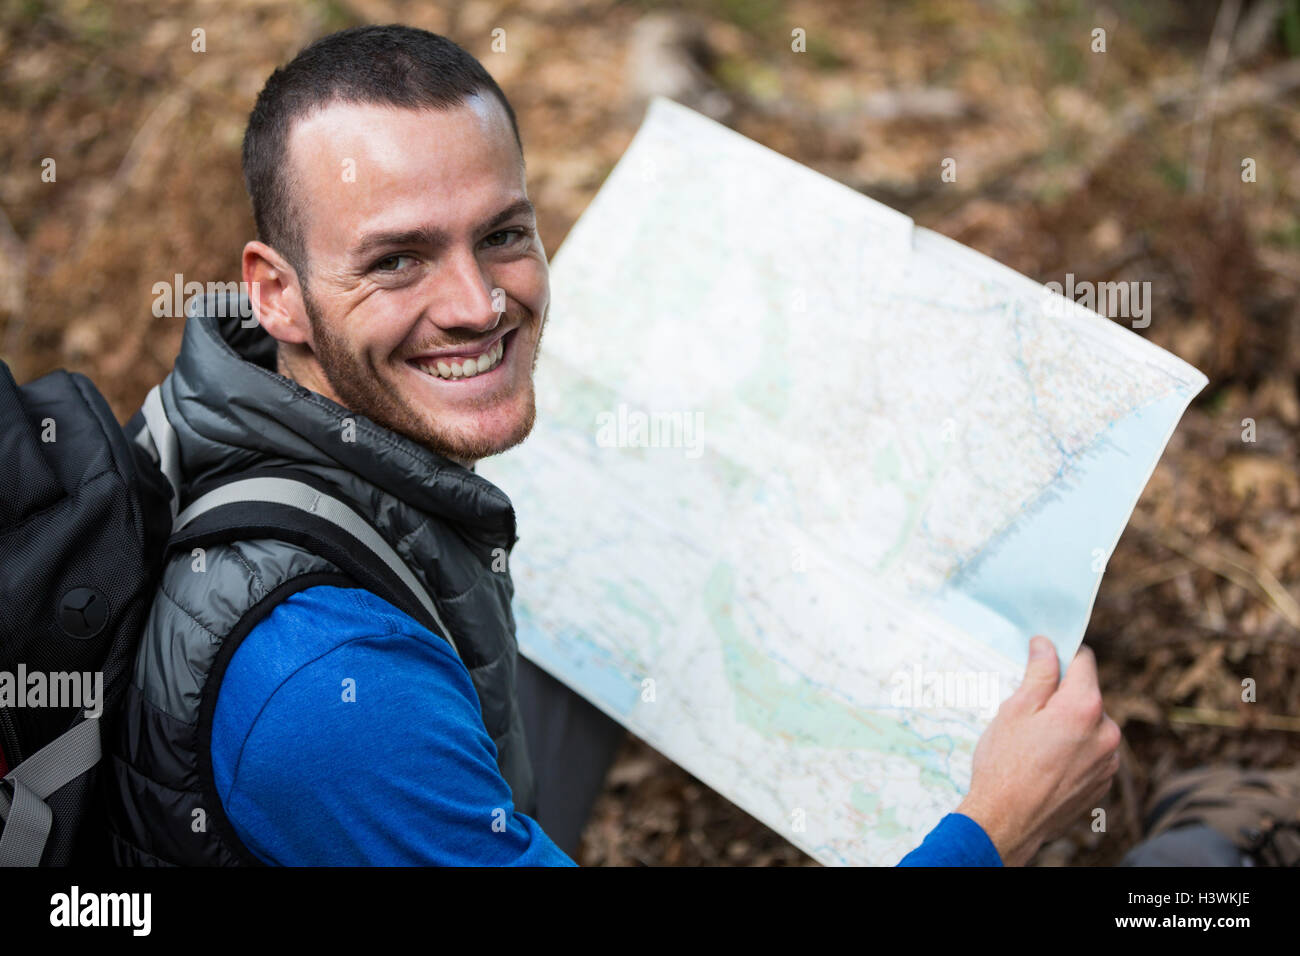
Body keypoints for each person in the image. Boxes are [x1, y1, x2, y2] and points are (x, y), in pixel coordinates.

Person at [105, 24, 1119, 867]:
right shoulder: (327, 689)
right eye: (398, 258)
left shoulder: (249, 405)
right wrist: (995, 826)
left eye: (502, 233)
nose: (478, 303)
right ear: (274, 290)